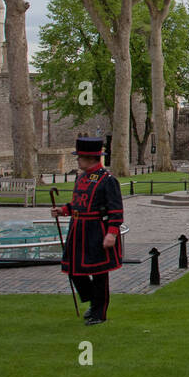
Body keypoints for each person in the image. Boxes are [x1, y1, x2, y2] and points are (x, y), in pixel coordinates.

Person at [52, 137, 124, 325]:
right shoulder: (81, 177)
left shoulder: (108, 180)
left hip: (96, 230)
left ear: (90, 158)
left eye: (80, 157)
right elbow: (78, 203)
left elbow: (115, 209)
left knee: (99, 273)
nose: (77, 160)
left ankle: (99, 312)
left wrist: (112, 233)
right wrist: (64, 210)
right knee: (74, 270)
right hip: (78, 229)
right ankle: (93, 301)